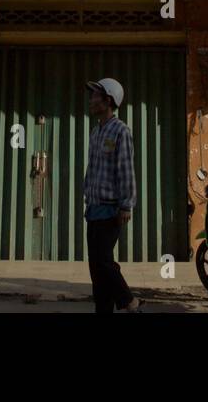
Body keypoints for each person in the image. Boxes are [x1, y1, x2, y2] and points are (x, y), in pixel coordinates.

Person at [83, 78, 141, 314]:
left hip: (111, 208)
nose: (91, 100)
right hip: (94, 207)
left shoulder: (120, 131)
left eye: (95, 96)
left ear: (108, 100)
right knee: (96, 267)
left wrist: (126, 205)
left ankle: (128, 301)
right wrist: (87, 195)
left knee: (104, 261)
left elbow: (125, 169)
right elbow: (92, 169)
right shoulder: (96, 132)